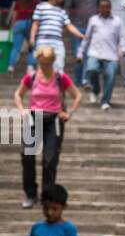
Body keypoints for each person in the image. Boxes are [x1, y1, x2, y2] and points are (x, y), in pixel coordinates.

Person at [14, 45, 81, 208]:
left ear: (52, 62)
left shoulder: (60, 78)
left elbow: (77, 95)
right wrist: (22, 110)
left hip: (54, 121)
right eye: (41, 63)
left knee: (49, 160)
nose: (44, 67)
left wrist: (69, 112)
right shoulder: (31, 77)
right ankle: (31, 194)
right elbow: (18, 93)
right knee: (27, 156)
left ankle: (47, 195)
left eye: (47, 63)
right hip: (34, 118)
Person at [78, 0, 125, 110]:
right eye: (102, 7)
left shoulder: (118, 21)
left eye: (106, 7)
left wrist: (123, 49)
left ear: (110, 8)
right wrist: (80, 52)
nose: (104, 10)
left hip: (111, 54)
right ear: (99, 8)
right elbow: (87, 37)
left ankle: (105, 100)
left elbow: (123, 37)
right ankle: (96, 90)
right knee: (92, 70)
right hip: (94, 52)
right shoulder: (93, 20)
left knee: (110, 76)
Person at [29, 0, 84, 74]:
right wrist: (32, 38)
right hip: (43, 41)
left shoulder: (62, 12)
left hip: (57, 43)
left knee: (59, 69)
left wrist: (81, 35)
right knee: (42, 67)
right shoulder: (41, 7)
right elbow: (36, 23)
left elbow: (69, 25)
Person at [63, 0, 100, 78]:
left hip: (91, 28)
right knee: (77, 54)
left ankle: (85, 80)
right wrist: (67, 23)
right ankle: (78, 79)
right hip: (76, 27)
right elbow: (67, 9)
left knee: (89, 54)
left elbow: (99, 7)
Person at [8, 0, 38, 71]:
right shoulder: (35, 2)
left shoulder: (18, 2)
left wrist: (14, 24)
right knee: (31, 46)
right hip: (30, 24)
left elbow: (14, 14)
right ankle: (30, 65)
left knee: (15, 47)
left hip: (18, 23)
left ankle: (11, 66)